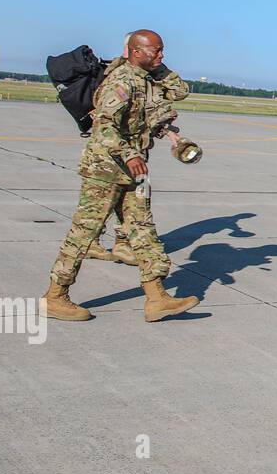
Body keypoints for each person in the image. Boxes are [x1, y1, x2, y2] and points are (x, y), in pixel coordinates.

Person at [40, 30, 200, 324]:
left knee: (142, 228)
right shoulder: (121, 81)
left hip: (132, 171)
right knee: (84, 232)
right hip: (105, 169)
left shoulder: (142, 80)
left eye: (162, 50)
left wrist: (169, 134)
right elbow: (105, 124)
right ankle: (55, 296)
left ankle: (156, 298)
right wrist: (130, 153)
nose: (162, 55)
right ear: (136, 52)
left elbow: (145, 116)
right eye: (156, 51)